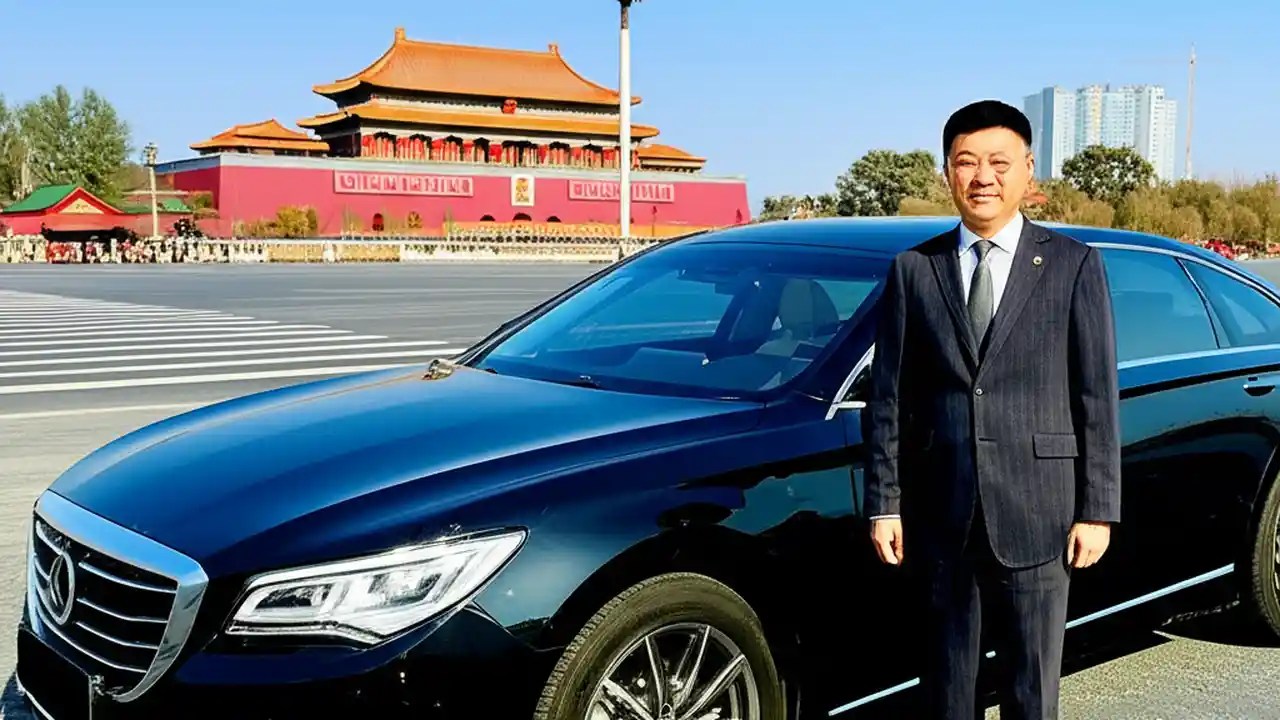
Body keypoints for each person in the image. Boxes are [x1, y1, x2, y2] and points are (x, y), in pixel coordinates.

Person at [863, 99, 1121, 719]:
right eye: (967, 162)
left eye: (999, 162)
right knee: (947, 694)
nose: (984, 177)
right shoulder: (913, 271)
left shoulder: (1072, 265)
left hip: (1041, 516)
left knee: (1032, 695)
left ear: (1028, 171)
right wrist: (884, 503)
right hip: (940, 518)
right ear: (947, 171)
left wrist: (1098, 509)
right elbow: (888, 398)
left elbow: (1096, 397)